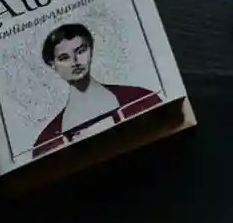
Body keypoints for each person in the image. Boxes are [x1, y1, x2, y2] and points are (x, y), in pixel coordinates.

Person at [32, 23, 161, 157]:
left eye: (81, 51)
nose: (75, 61)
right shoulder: (47, 141)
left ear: (91, 50)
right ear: (52, 65)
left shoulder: (139, 99)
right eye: (64, 58)